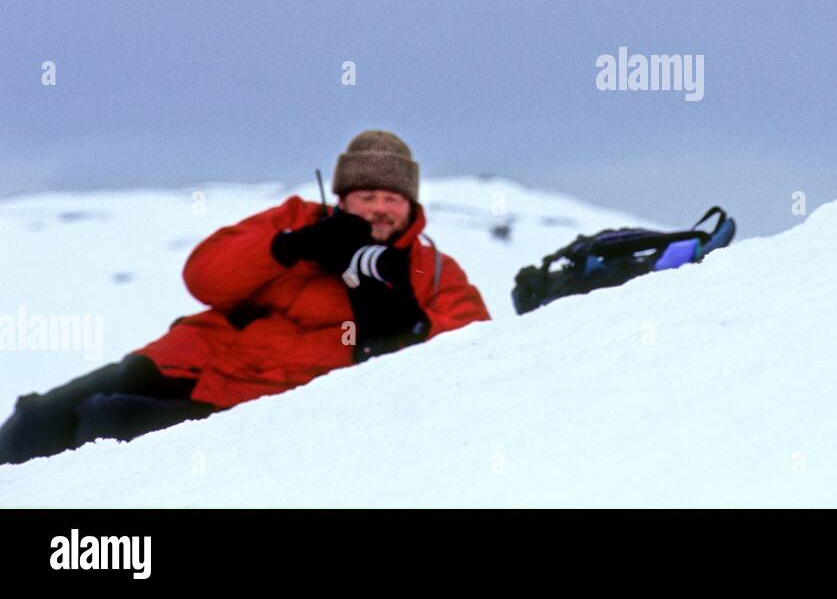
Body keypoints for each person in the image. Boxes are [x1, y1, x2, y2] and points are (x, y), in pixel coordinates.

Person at [0, 130, 490, 465]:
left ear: (411, 206)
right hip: (189, 357)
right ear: (342, 197)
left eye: (393, 198)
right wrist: (287, 248)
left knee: (106, 424)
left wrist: (411, 322)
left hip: (261, 397)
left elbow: (480, 356)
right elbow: (204, 277)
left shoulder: (434, 270)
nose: (380, 209)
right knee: (37, 420)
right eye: (367, 196)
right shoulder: (296, 219)